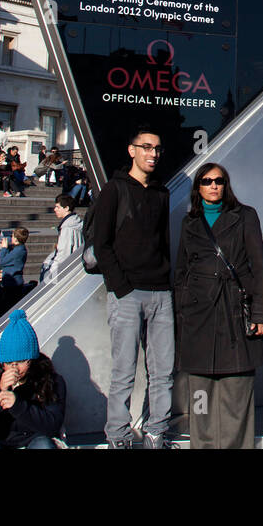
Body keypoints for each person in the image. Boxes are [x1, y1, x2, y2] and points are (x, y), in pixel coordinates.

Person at [173, 163, 263, 449]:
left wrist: (262, 312)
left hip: (233, 313)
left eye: (219, 180)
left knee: (236, 393)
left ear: (226, 185)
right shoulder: (189, 222)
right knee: (201, 396)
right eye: (207, 181)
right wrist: (181, 312)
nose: (214, 185)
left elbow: (259, 266)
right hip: (198, 316)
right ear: (199, 188)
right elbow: (182, 271)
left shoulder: (245, 216)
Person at [94, 127, 174, 450]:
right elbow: (102, 244)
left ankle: (157, 432)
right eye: (146, 147)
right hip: (127, 293)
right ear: (132, 151)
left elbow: (164, 241)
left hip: (160, 292)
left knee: (163, 370)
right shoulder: (114, 190)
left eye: (157, 148)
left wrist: (166, 282)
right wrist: (120, 286)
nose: (153, 154)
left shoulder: (162, 193)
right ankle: (118, 435)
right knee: (124, 371)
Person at [0, 310, 66, 448]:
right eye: (9, 363)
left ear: (32, 360)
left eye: (21, 361)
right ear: (2, 363)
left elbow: (52, 426)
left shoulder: (50, 381)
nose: (15, 368)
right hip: (1, 441)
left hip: (35, 439)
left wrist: (19, 406)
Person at [41, 194, 83, 285]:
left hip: (66, 271)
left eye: (58, 207)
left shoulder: (67, 228)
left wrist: (52, 274)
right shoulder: (75, 223)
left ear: (66, 208)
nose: (55, 209)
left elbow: (63, 253)